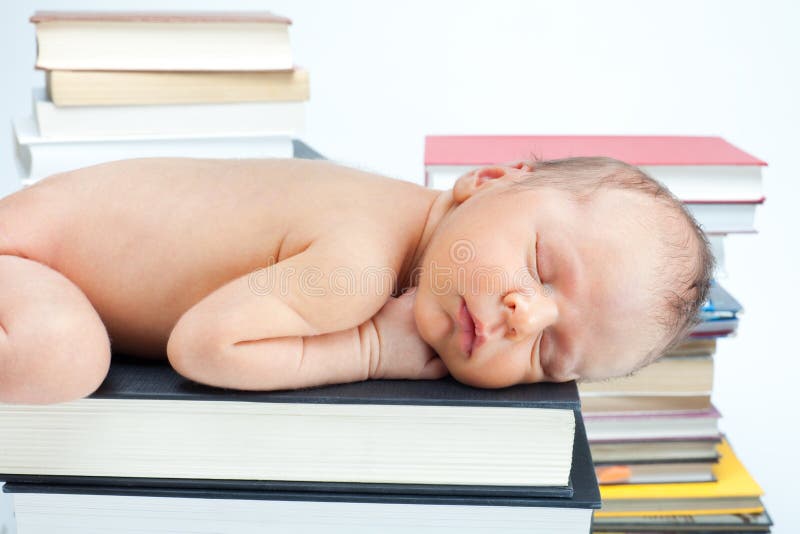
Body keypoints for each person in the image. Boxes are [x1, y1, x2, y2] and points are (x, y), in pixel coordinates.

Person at [0, 156, 712, 404]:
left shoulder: (397, 218)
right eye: (543, 267)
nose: (525, 318)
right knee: (63, 353)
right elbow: (205, 346)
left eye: (548, 357)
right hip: (24, 256)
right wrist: (370, 349)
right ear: (488, 181)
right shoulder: (358, 267)